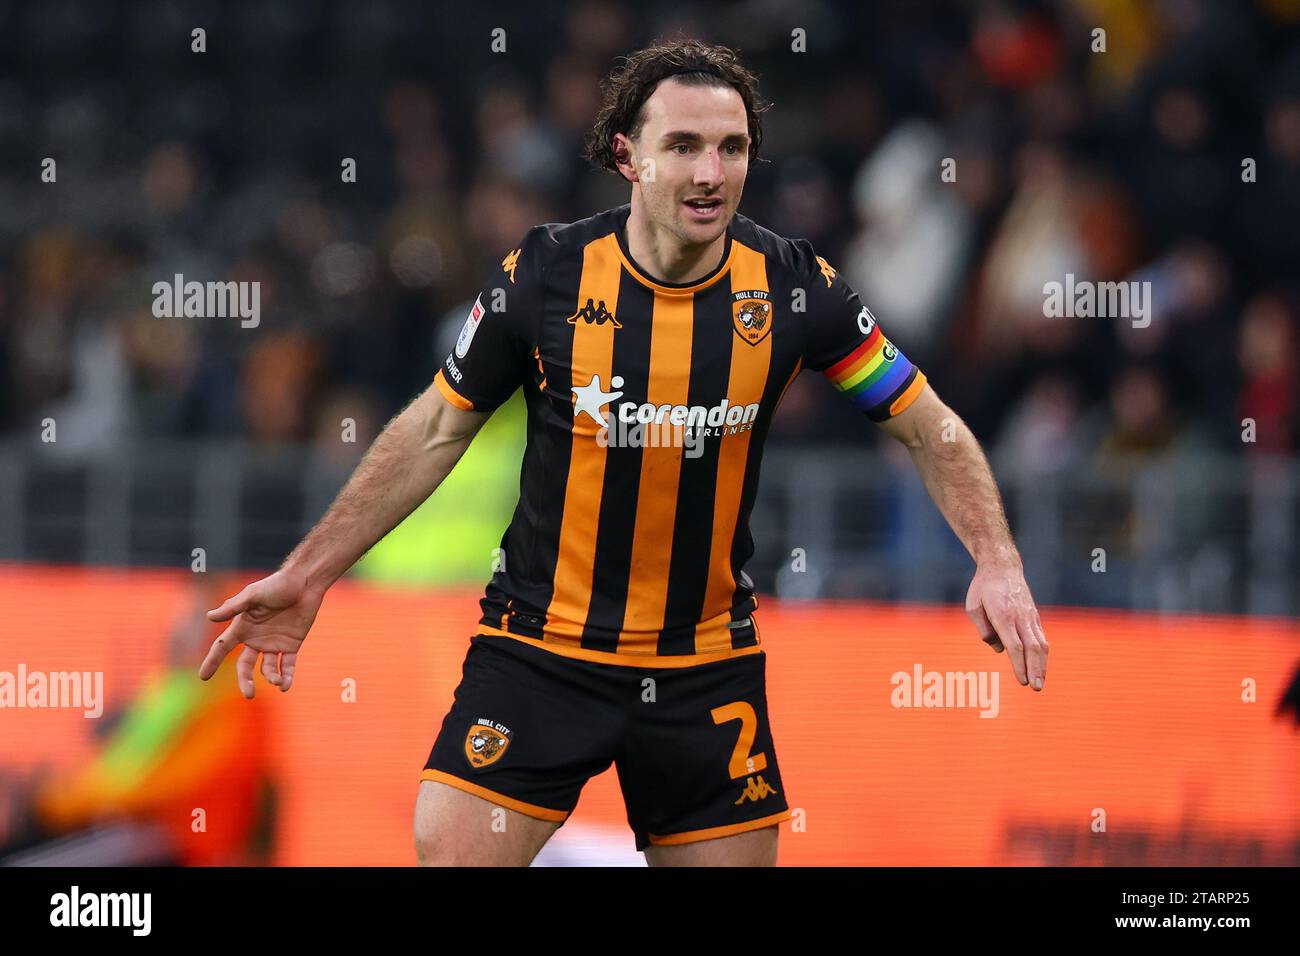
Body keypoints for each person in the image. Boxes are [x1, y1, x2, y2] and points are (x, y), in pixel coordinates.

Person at [199, 38, 1049, 867]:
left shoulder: (794, 286)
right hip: (541, 649)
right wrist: (309, 574)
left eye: (732, 147)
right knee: (449, 847)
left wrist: (997, 558)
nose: (710, 173)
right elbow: (433, 427)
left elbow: (926, 422)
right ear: (627, 156)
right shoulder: (546, 274)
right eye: (681, 146)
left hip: (702, 665)